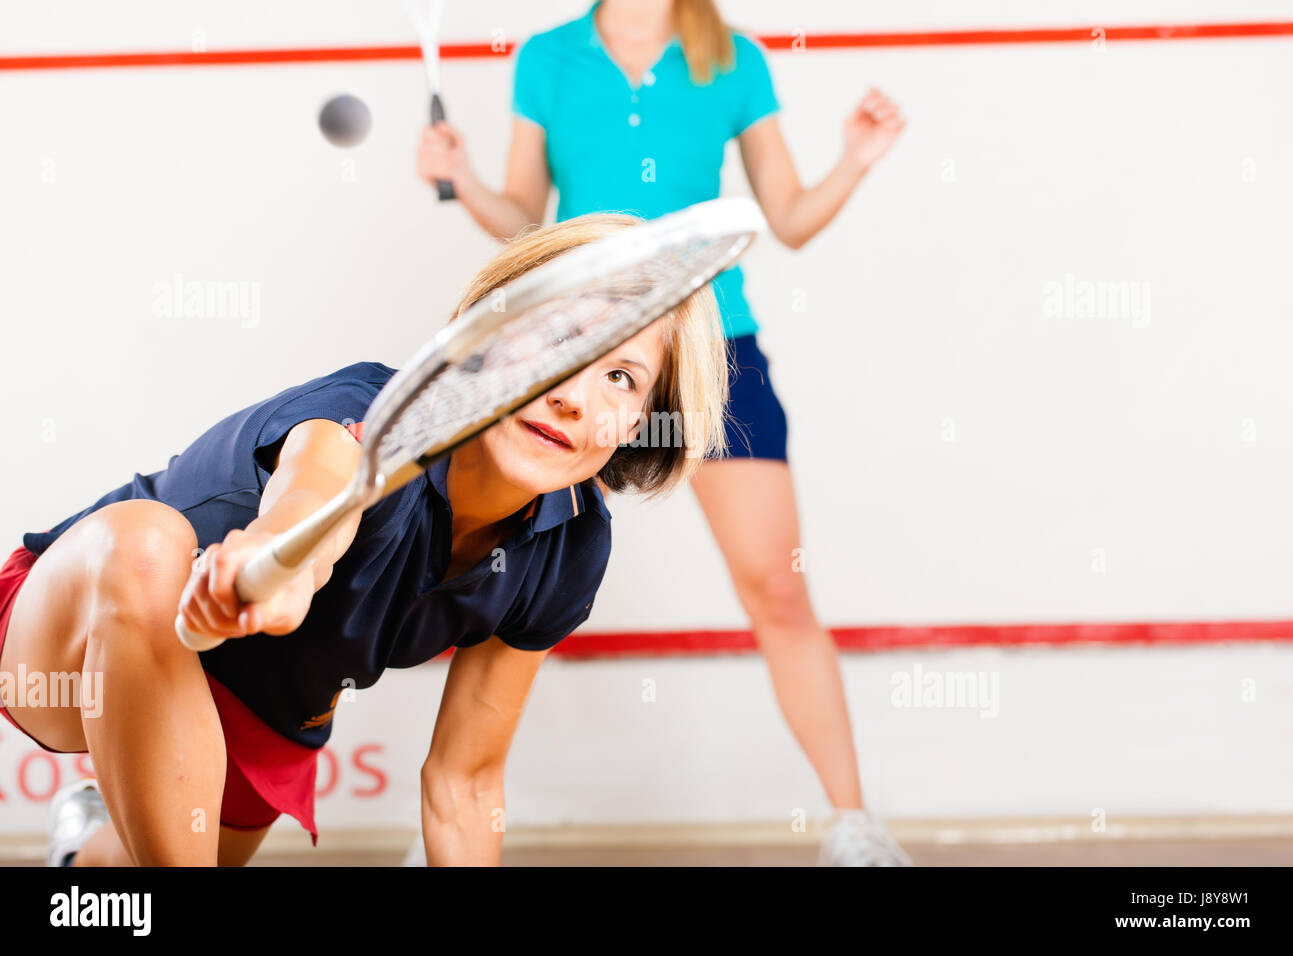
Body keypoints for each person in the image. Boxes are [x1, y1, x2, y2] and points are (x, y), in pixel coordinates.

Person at [0, 212, 729, 866]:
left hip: (263, 716)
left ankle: (83, 849)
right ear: (491, 332)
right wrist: (280, 564)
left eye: (622, 378)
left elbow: (465, 782)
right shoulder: (374, 415)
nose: (576, 393)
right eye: (561, 339)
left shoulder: (570, 549)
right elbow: (313, 497)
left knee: (113, 896)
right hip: (80, 632)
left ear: (636, 426)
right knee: (149, 548)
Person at [417, 0, 910, 864]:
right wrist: (460, 179)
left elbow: (786, 216)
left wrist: (856, 162)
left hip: (718, 350)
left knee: (780, 592)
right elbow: (526, 218)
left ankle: (853, 830)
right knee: (511, 581)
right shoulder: (547, 58)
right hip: (578, 356)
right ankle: (448, 827)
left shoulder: (736, 59)